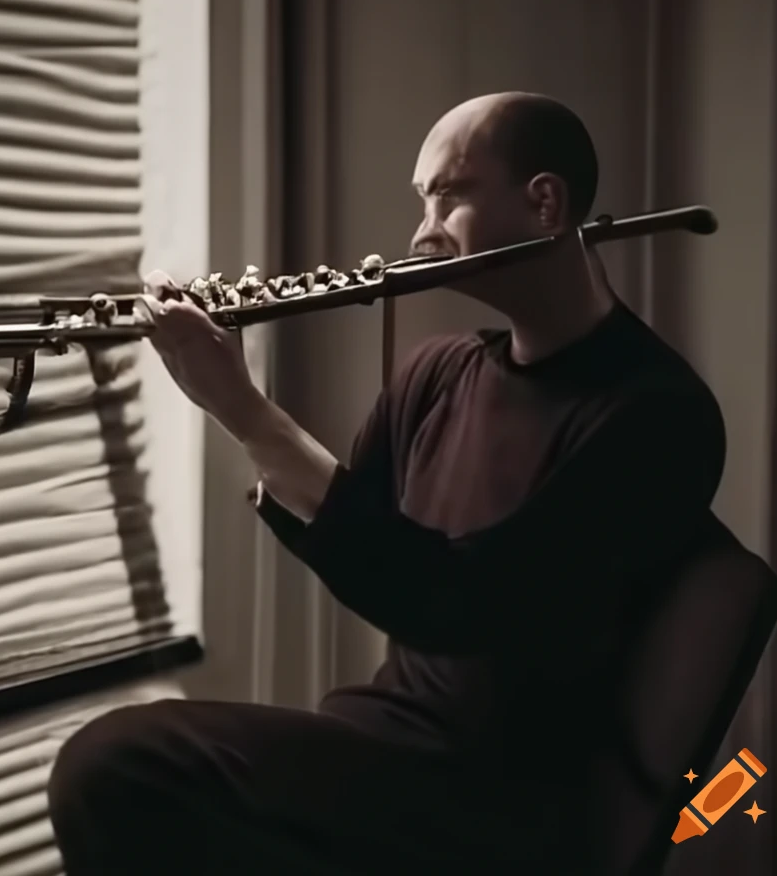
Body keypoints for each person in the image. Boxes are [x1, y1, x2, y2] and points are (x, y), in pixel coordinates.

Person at [46, 92, 726, 875]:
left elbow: (457, 606)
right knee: (131, 781)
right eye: (421, 199)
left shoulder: (659, 414)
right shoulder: (439, 370)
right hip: (385, 736)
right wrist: (236, 396)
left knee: (115, 764)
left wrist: (239, 408)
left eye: (448, 194)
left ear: (544, 203)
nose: (420, 232)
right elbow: (365, 540)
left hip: (507, 799)